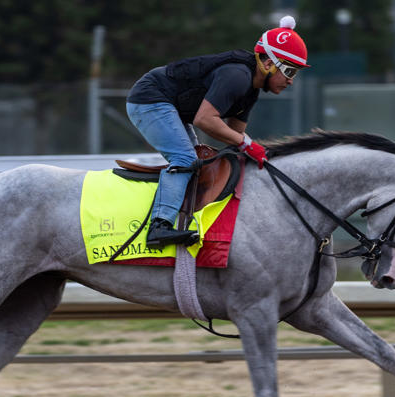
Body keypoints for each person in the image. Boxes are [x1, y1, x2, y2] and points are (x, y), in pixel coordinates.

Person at [126, 15, 310, 248]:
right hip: (150, 98)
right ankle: (159, 228)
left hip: (170, 105)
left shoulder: (251, 90)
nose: (291, 81)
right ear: (267, 63)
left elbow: (233, 137)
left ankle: (182, 220)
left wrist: (253, 151)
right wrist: (248, 145)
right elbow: (205, 120)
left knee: (199, 163)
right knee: (185, 159)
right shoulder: (237, 76)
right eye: (290, 72)